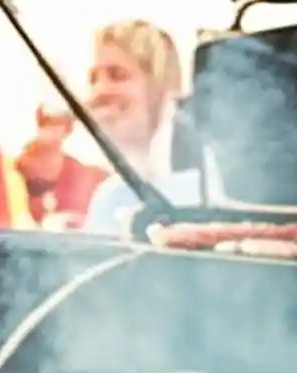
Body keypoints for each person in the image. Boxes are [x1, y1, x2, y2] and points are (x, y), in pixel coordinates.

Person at [80, 20, 219, 234]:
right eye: (93, 79)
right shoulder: (108, 198)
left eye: (118, 75)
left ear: (162, 85)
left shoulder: (213, 186)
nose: (99, 91)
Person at [14, 102, 109, 230]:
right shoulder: (22, 163)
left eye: (59, 125)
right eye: (47, 124)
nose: (52, 131)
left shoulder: (76, 169)